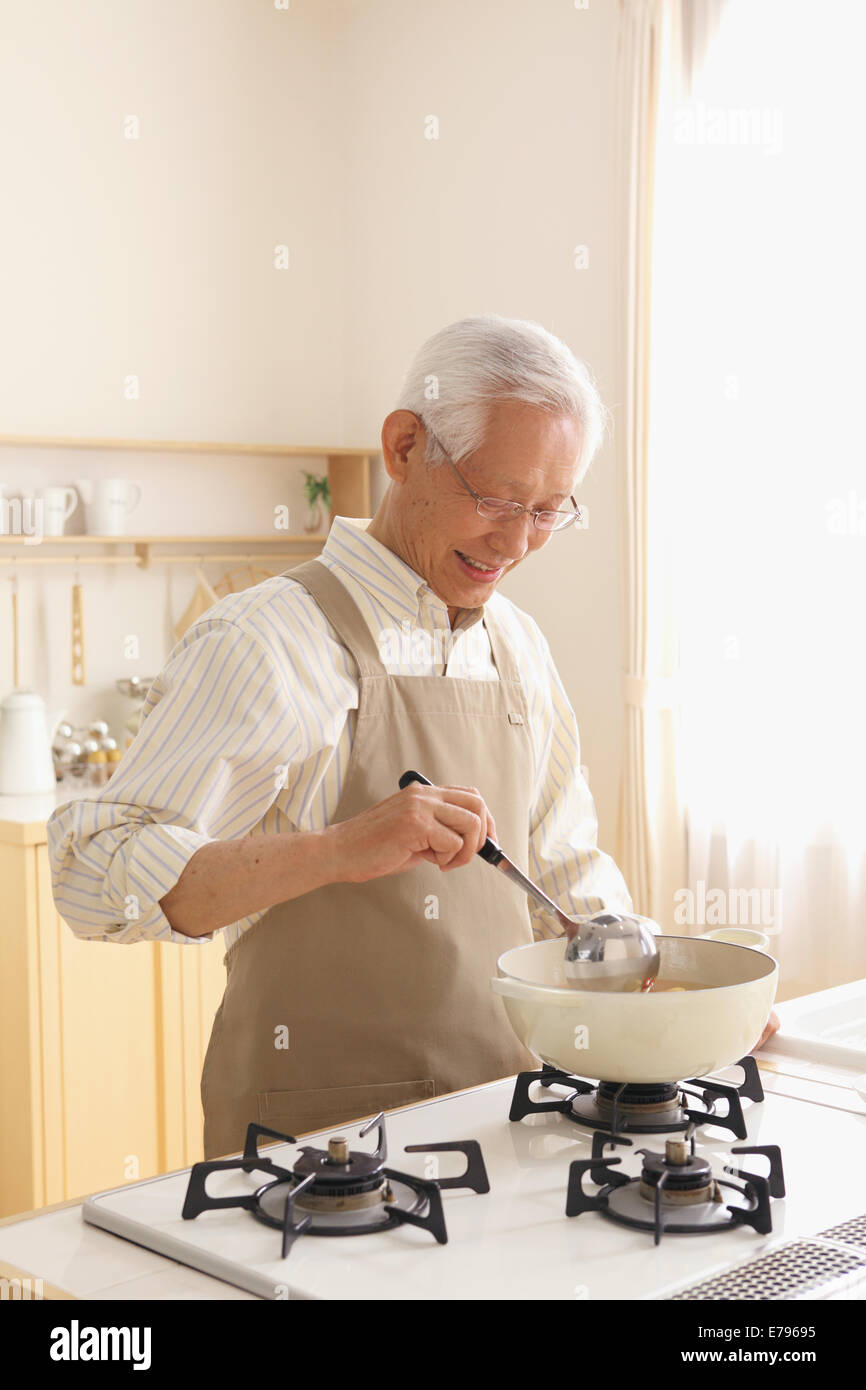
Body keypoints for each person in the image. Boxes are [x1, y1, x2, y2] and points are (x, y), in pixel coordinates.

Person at [47, 314, 778, 1159]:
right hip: (312, 1162)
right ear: (404, 449)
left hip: (502, 1132)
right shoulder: (266, 641)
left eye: (548, 511)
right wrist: (335, 851)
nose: (516, 542)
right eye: (498, 499)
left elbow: (565, 877)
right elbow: (90, 874)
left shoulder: (519, 649)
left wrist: (688, 1010)